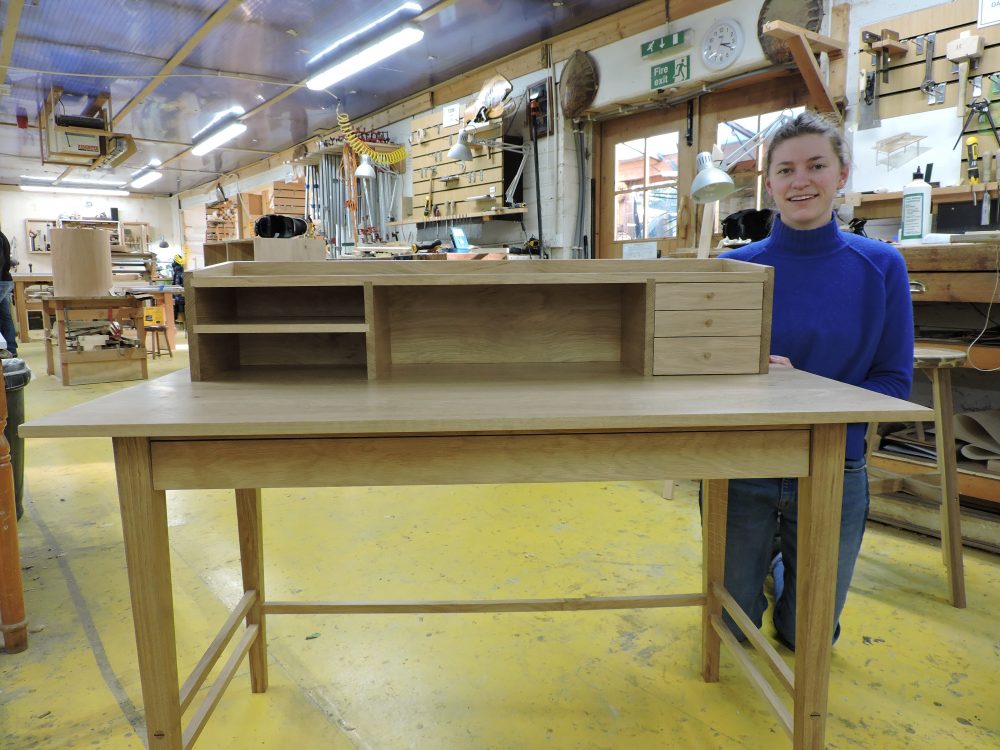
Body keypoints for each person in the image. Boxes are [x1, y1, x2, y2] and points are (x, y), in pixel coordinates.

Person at [716, 111, 914, 649]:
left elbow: (895, 383)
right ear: (770, 183)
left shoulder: (881, 266)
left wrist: (802, 386)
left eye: (816, 165)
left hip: (832, 460)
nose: (800, 180)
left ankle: (782, 569)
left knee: (808, 638)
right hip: (743, 460)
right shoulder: (729, 270)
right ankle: (759, 565)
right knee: (731, 629)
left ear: (841, 174)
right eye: (785, 170)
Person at [0, 226, 18, 357]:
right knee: (4, 315)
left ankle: (9, 349)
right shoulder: (2, 236)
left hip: (1, 280)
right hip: (4, 280)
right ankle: (11, 349)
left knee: (4, 316)